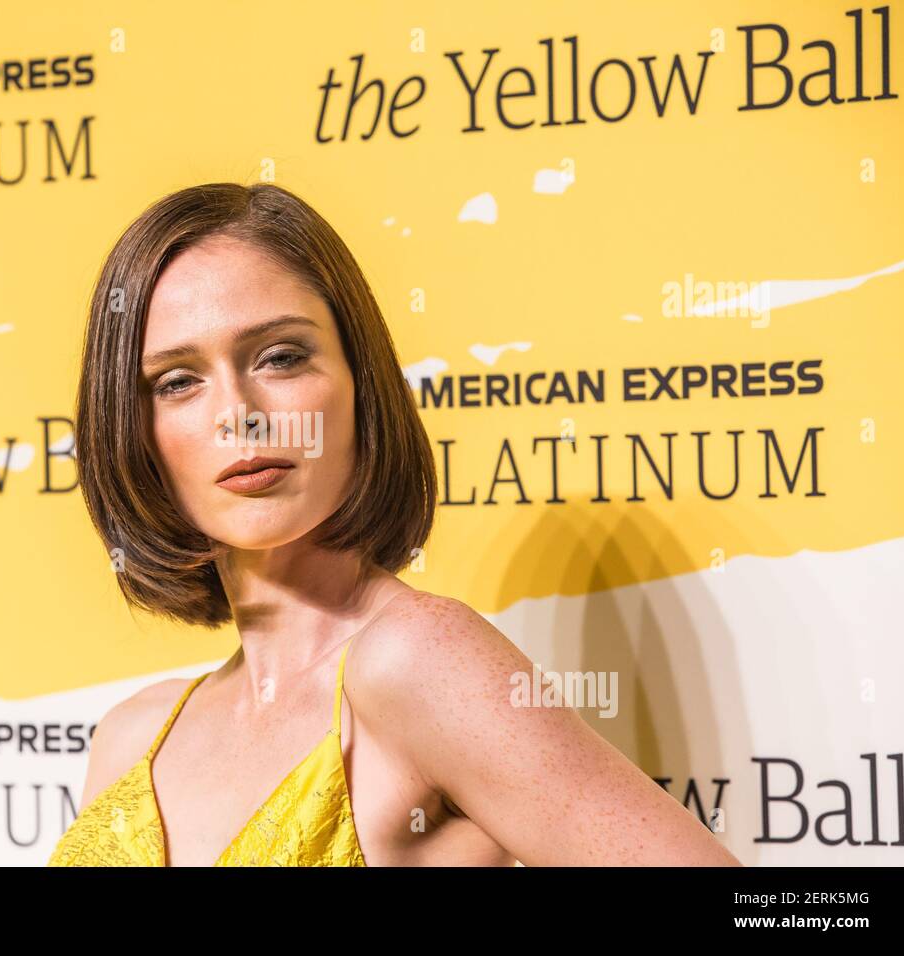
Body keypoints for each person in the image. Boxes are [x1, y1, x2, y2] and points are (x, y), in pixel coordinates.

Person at [48, 182, 740, 866]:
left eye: (281, 357)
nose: (239, 413)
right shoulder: (131, 738)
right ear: (131, 430)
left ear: (359, 379)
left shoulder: (416, 662)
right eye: (177, 381)